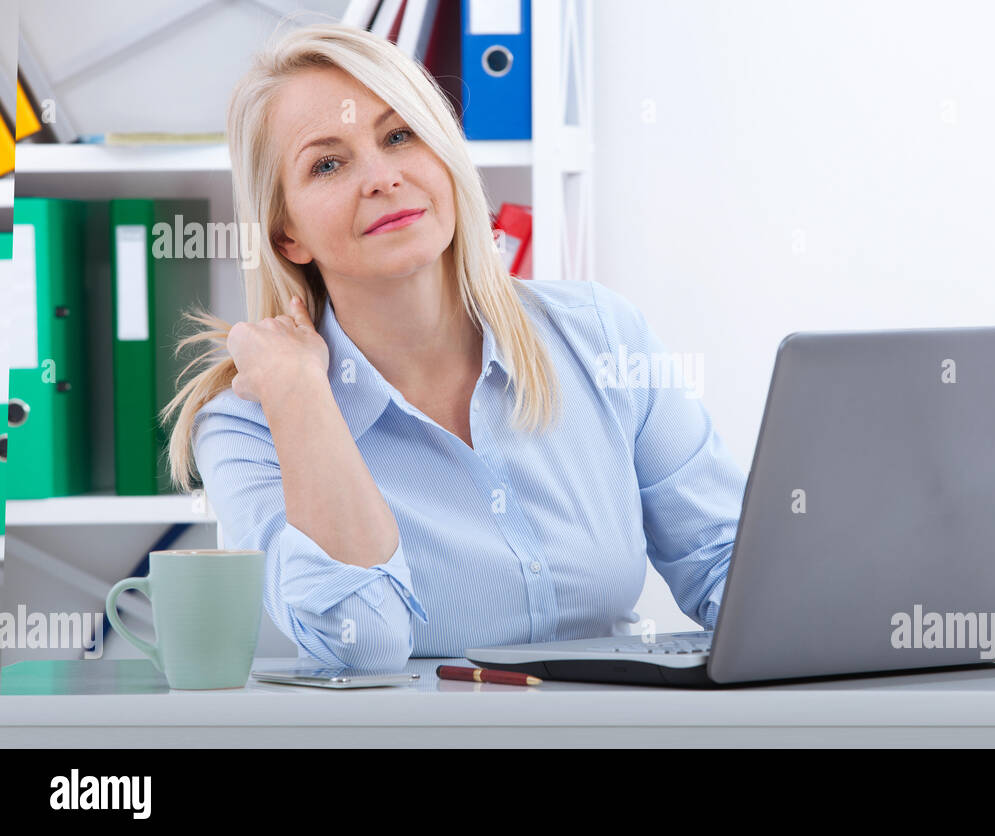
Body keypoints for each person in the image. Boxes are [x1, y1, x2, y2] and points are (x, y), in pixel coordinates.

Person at [162, 23, 746, 670]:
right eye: (327, 163)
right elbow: (366, 640)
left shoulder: (600, 336)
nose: (381, 178)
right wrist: (302, 397)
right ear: (286, 236)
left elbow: (732, 567)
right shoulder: (250, 420)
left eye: (399, 135)